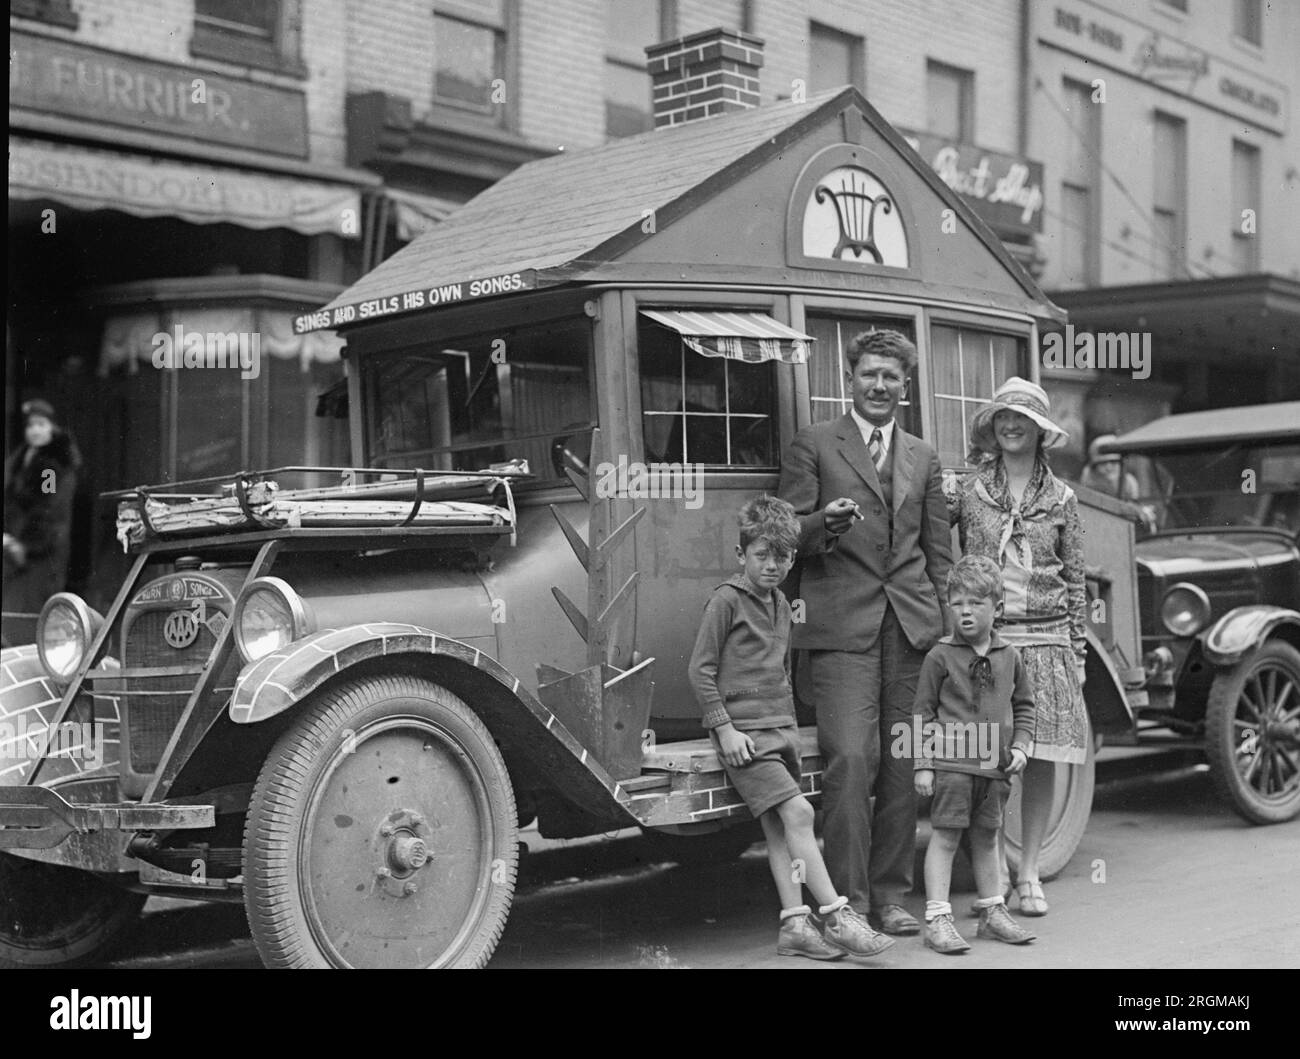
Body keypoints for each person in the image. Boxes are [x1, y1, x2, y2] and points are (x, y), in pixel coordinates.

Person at [778, 329, 952, 936]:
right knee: (851, 760)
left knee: (903, 764)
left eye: (892, 377)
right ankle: (844, 902)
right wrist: (820, 523)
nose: (879, 386)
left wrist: (953, 637)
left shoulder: (924, 456)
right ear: (849, 379)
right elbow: (782, 535)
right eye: (869, 374)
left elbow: (940, 555)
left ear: (906, 387)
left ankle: (891, 896)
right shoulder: (816, 444)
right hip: (839, 628)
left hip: (911, 629)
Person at [688, 495, 893, 960]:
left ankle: (795, 925)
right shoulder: (726, 601)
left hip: (778, 730)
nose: (771, 566)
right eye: (761, 555)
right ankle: (838, 916)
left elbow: (779, 670)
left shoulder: (781, 603)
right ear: (741, 555)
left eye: (781, 557)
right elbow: (699, 671)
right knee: (800, 814)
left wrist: (790, 727)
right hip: (745, 737)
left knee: (781, 831)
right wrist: (724, 730)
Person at [943, 377, 1087, 917]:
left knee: (1042, 756)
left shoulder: (1063, 499)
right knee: (990, 757)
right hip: (989, 642)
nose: (1010, 425)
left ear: (1040, 431)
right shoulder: (970, 490)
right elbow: (935, 537)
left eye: (1021, 419)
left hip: (1048, 640)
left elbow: (1075, 580)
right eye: (1003, 417)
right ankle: (993, 871)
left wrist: (1077, 655)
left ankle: (1029, 872)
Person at [913, 555, 1037, 954]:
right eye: (957, 602)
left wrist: (1020, 745)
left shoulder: (1010, 657)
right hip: (952, 766)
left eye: (976, 603)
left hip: (994, 768)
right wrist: (924, 764)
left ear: (997, 608)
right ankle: (937, 918)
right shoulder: (940, 656)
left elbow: (1025, 707)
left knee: (987, 837)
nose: (965, 611)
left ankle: (992, 912)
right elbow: (922, 713)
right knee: (946, 837)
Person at [3, 399, 83, 619]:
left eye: (41, 424)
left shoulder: (51, 467)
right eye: (31, 425)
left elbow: (49, 506)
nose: (35, 430)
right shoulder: (23, 458)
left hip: (39, 551)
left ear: (52, 428)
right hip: (16, 549)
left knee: (30, 613)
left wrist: (24, 544)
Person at [1081, 434, 1156, 532]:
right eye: (1103, 463)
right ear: (1094, 467)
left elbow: (1135, 507)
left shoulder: (1129, 482)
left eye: (1113, 462)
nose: (1109, 467)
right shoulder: (1088, 481)